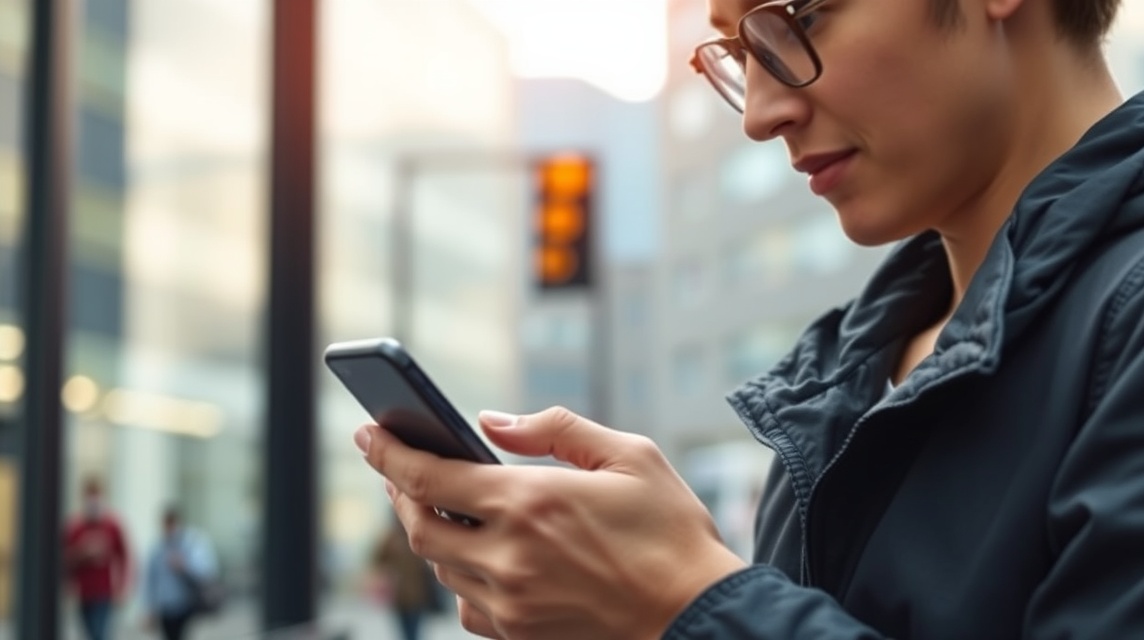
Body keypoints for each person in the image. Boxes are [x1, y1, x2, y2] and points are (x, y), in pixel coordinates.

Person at [352, 0, 1144, 636]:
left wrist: (680, 597)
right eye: (735, 54)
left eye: (794, 25)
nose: (760, 115)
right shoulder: (850, 364)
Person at [63, 476, 132, 640]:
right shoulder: (76, 527)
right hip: (83, 591)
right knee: (88, 632)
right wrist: (82, 553)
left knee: (99, 633)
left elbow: (124, 557)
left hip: (104, 591)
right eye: (89, 496)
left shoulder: (112, 525)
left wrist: (122, 586)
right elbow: (64, 559)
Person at [143, 507, 219, 640]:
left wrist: (184, 566)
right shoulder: (157, 549)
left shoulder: (192, 542)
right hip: (165, 606)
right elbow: (151, 580)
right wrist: (149, 608)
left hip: (187, 604)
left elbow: (206, 571)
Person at [370, 516, 441, 640]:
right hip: (399, 596)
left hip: (417, 595)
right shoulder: (391, 538)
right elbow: (378, 559)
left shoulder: (418, 536)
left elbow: (430, 565)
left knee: (413, 632)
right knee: (404, 632)